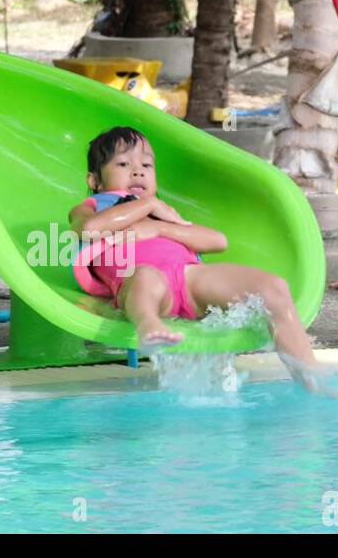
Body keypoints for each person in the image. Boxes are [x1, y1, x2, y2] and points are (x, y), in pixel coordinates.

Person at [69, 126, 319, 374]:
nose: (138, 172)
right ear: (95, 180)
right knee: (145, 276)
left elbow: (217, 241)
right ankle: (149, 324)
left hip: (190, 280)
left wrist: (161, 229)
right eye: (123, 164)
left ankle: (312, 378)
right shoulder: (94, 206)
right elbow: (89, 229)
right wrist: (147, 205)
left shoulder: (163, 213)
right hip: (141, 283)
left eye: (146, 166)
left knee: (273, 288)